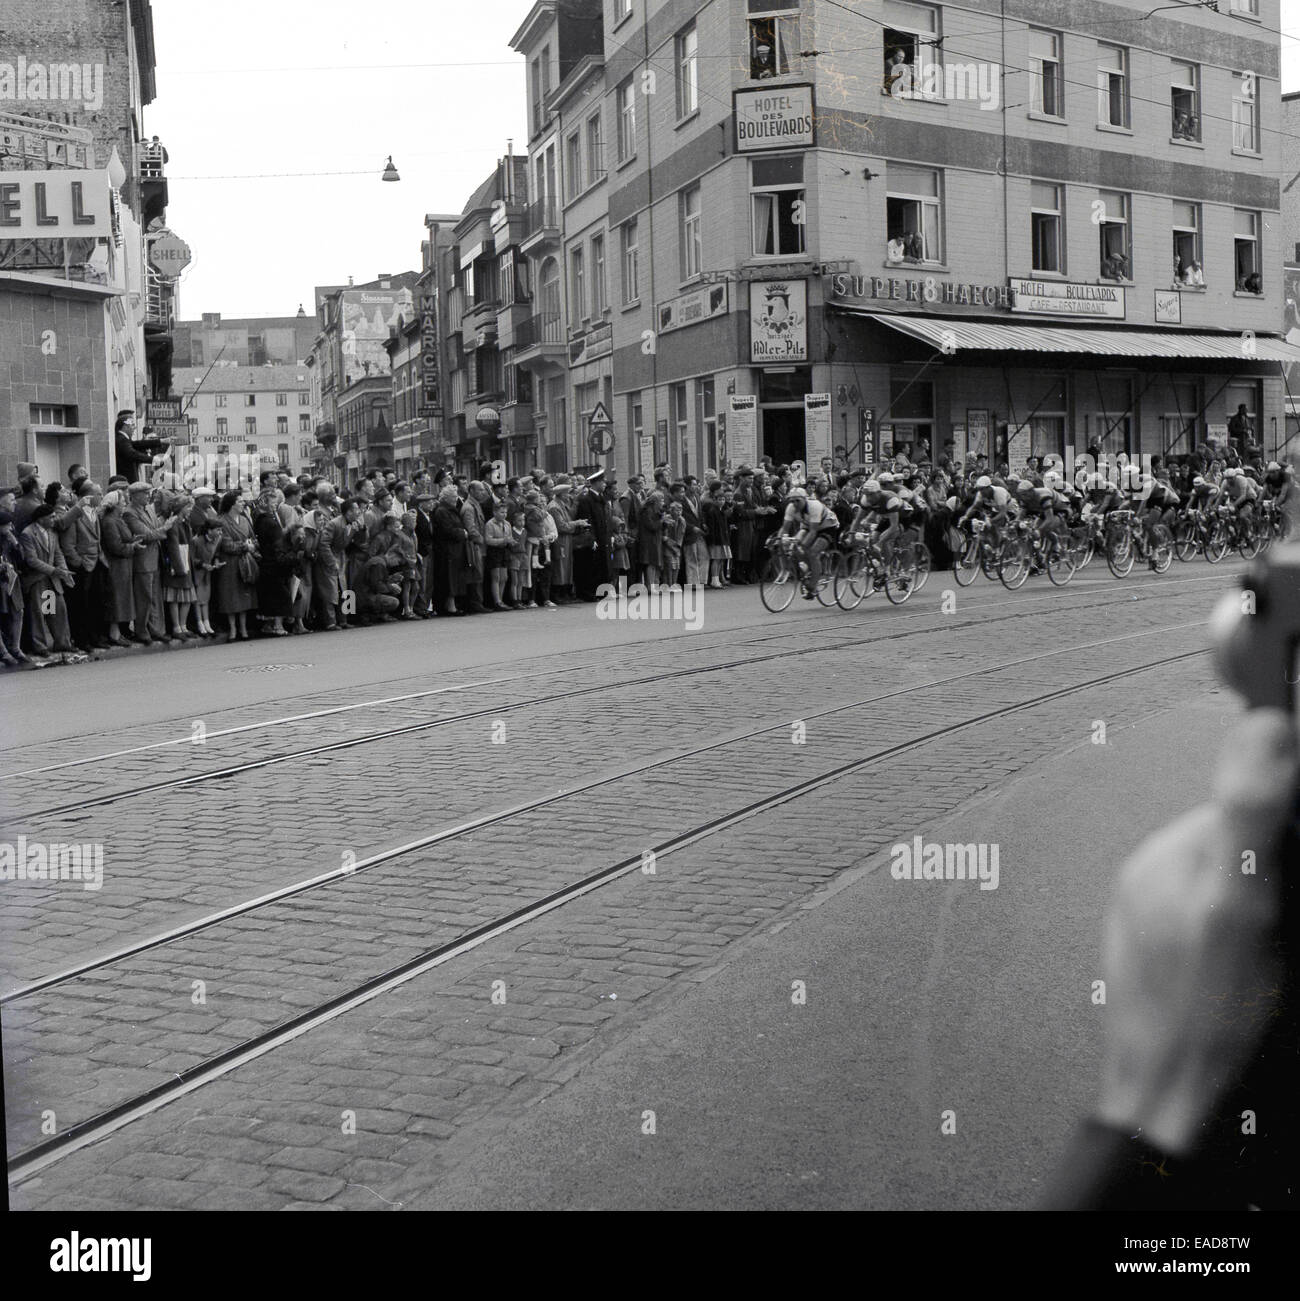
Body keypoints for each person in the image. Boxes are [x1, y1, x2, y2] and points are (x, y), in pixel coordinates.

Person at [214, 489, 257, 641]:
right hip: (230, 563)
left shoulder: (245, 520)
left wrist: (252, 545)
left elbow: (253, 538)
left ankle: (244, 628)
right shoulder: (222, 521)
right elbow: (227, 545)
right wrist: (245, 546)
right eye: (239, 501)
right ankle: (232, 629)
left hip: (245, 563)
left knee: (244, 595)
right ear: (231, 505)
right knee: (231, 597)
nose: (243, 503)